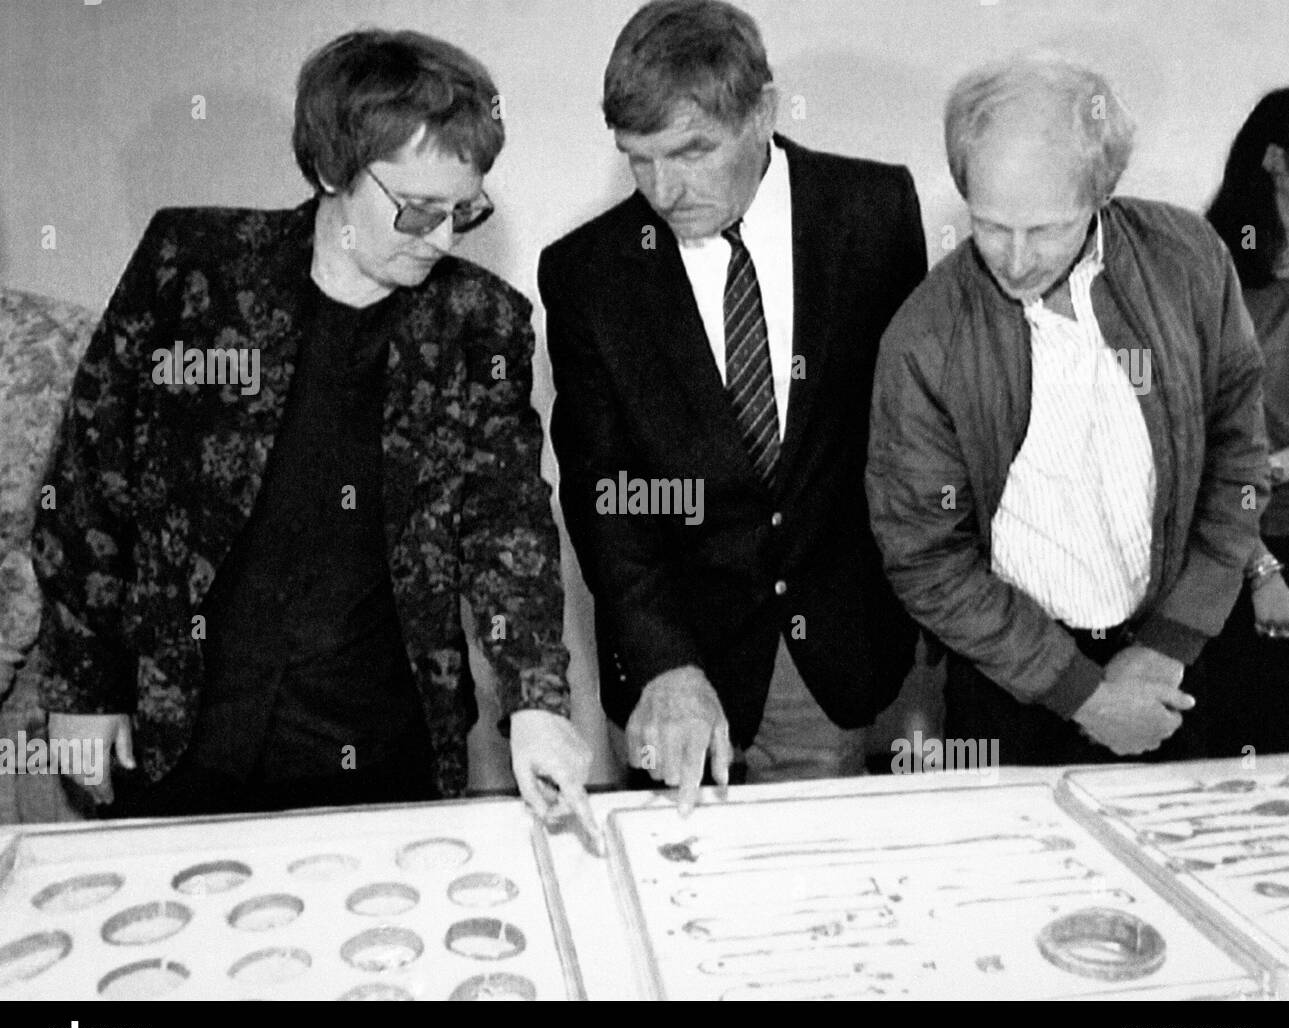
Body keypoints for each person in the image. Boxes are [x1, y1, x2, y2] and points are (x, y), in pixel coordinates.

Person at [33, 29, 597, 836]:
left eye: (463, 211)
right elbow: (89, 478)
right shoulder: (191, 270)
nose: (440, 239)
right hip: (185, 734)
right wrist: (83, 686)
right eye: (417, 209)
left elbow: (507, 528)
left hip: (375, 744)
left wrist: (537, 703)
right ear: (334, 168)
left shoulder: (480, 323)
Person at [541, 0, 927, 812]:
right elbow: (603, 496)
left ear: (763, 111)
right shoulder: (589, 273)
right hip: (671, 658)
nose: (664, 189)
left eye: (691, 151)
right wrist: (665, 664)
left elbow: (906, 433)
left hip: (829, 654)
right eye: (638, 160)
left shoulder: (875, 212)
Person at [866, 52, 1270, 766]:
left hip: (1177, 664)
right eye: (990, 227)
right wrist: (1081, 690)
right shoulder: (923, 340)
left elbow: (1237, 457)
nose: (1016, 260)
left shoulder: (1188, 259)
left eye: (1046, 230)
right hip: (1012, 687)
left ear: (1100, 192)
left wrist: (1171, 643)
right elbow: (924, 557)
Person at [1201, 85, 1289, 756]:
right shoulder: (1205, 265)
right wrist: (1261, 570)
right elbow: (1185, 430)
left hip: (1286, 513)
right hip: (1231, 542)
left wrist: (1275, 465)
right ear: (1274, 160)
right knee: (1234, 754)